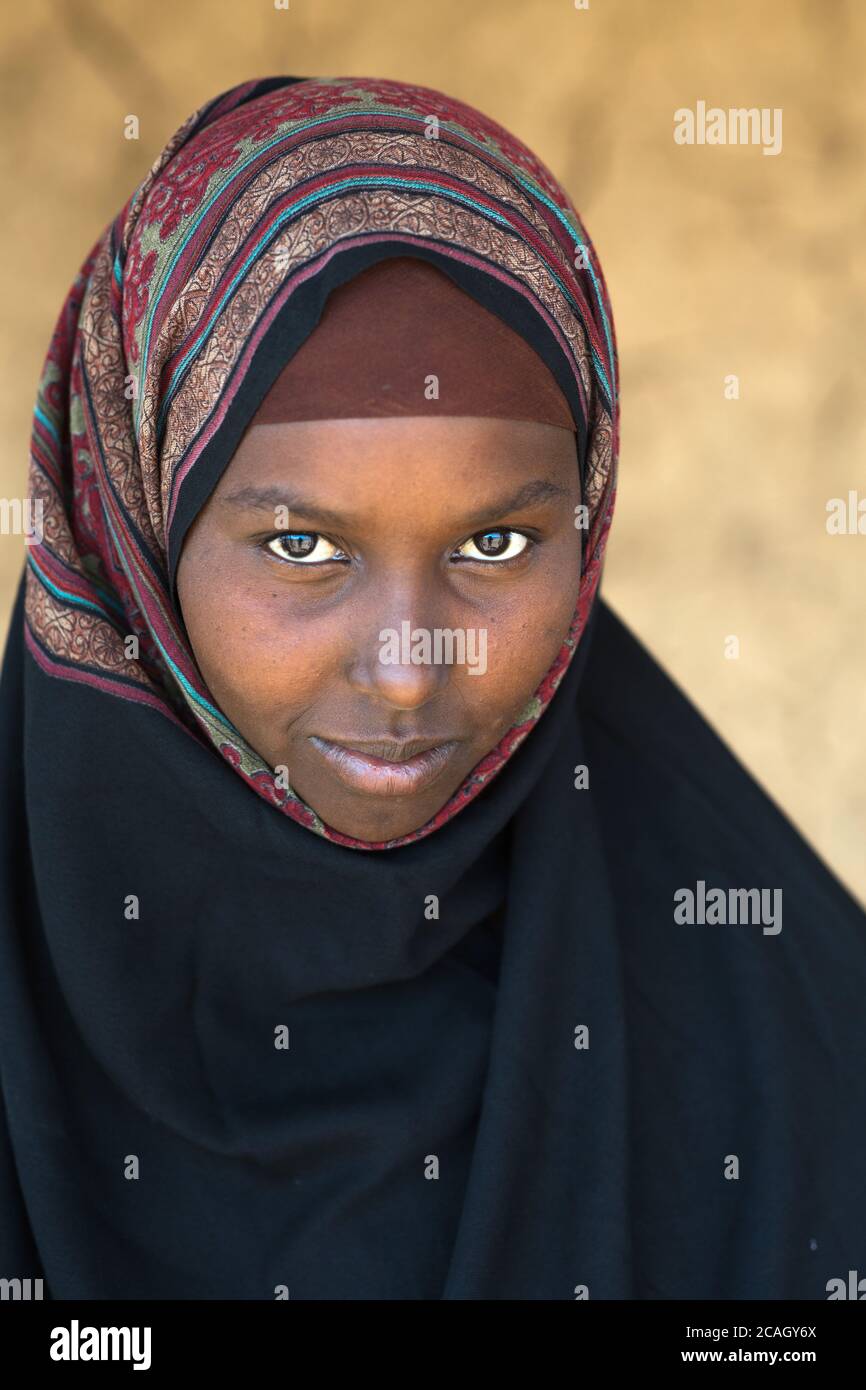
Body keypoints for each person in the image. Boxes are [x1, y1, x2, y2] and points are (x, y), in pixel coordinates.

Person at [1, 73, 863, 1301]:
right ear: (132, 531)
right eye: (301, 547)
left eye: (494, 546)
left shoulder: (793, 1047)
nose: (409, 673)